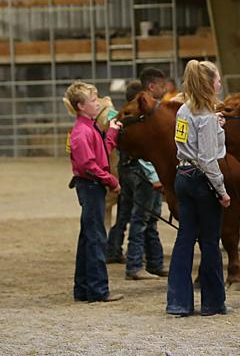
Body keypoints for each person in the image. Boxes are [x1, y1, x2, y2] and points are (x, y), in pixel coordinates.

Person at [166, 60, 231, 317]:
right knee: (210, 242)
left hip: (183, 175)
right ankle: (213, 302)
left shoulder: (184, 110)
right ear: (209, 84)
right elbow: (207, 159)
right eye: (217, 79)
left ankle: (178, 302)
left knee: (184, 239)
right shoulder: (206, 117)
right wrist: (222, 190)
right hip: (202, 181)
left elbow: (187, 141)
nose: (220, 83)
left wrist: (216, 127)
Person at [64, 81, 124, 303]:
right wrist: (111, 180)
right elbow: (88, 164)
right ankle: (98, 290)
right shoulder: (81, 132)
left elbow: (101, 154)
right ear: (81, 106)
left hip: (92, 185)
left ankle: (82, 288)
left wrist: (113, 133)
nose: (97, 103)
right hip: (90, 186)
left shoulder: (90, 128)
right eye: (92, 100)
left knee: (88, 236)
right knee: (96, 237)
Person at [105, 80, 167, 280]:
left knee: (127, 215)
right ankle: (136, 264)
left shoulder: (118, 118)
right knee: (144, 219)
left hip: (126, 170)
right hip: (143, 175)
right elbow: (146, 154)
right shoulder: (140, 123)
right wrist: (154, 176)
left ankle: (119, 252)